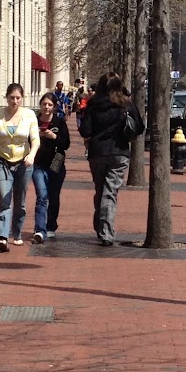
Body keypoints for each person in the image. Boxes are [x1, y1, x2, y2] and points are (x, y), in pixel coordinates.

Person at [78, 71, 144, 246]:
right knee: (110, 192)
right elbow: (139, 127)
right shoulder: (126, 104)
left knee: (101, 190)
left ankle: (100, 226)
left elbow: (85, 130)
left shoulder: (93, 105)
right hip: (119, 152)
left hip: (97, 153)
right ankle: (106, 232)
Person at [0, 83, 39, 252]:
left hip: (23, 163)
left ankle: (17, 233)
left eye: (18, 98)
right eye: (12, 97)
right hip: (2, 161)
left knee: (19, 202)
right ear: (6, 98)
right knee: (5, 199)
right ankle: (3, 238)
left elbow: (35, 139)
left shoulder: (29, 115)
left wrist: (32, 154)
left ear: (22, 98)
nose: (15, 101)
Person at [31, 92, 72, 242]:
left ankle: (51, 226)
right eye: (44, 104)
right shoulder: (33, 121)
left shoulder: (59, 122)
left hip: (56, 161)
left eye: (49, 105)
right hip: (39, 162)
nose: (46, 107)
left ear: (54, 107)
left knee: (53, 196)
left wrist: (53, 136)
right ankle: (39, 229)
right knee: (42, 195)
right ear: (40, 105)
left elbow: (66, 144)